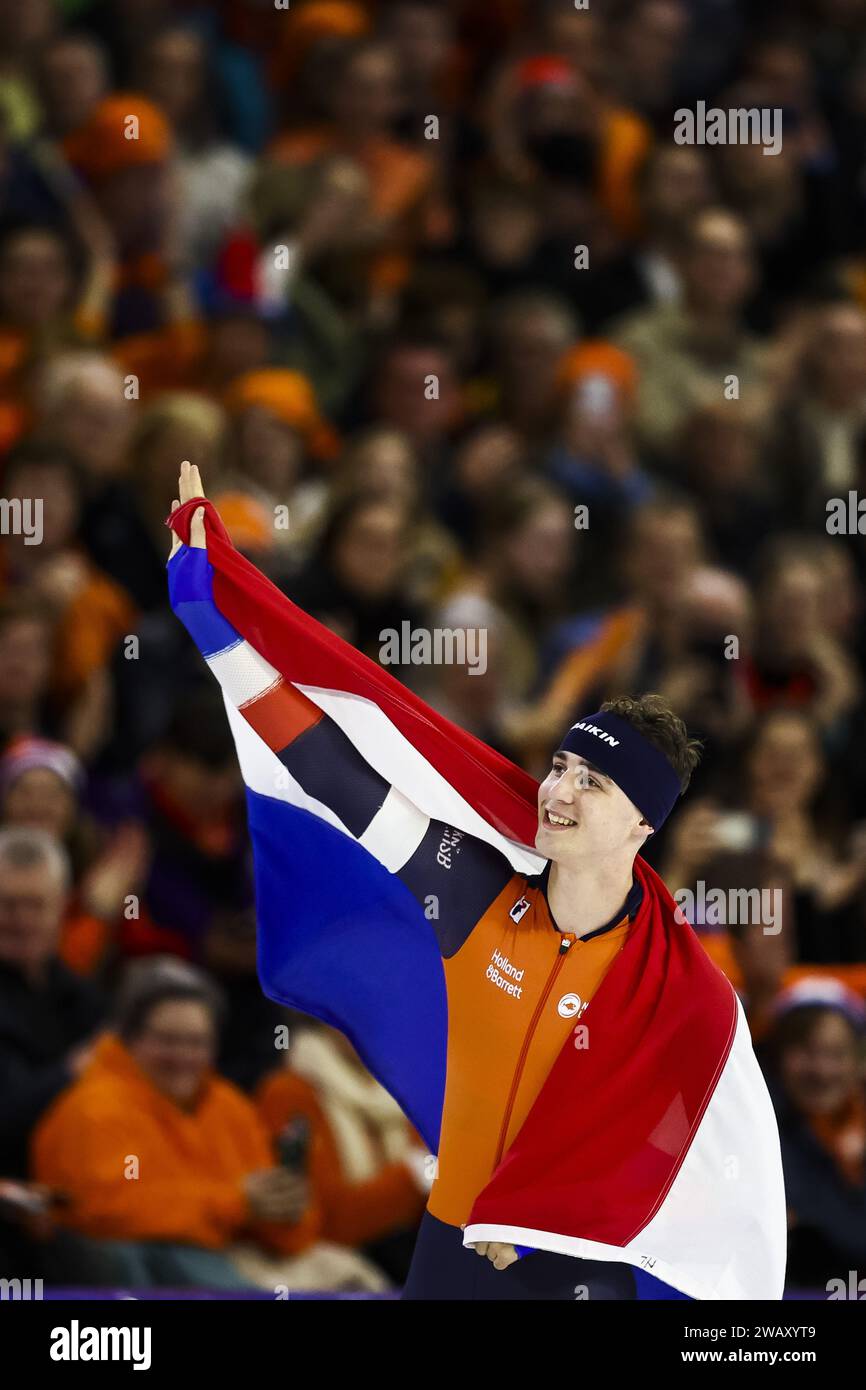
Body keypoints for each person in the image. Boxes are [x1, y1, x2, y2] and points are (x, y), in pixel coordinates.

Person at [165, 462, 786, 1300]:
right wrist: (218, 634)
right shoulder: (474, 895)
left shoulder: (687, 992)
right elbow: (337, 776)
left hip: (576, 1273)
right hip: (451, 1251)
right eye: (560, 766)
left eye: (591, 784)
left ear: (645, 825)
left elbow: (691, 1144)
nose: (559, 791)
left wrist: (545, 1213)